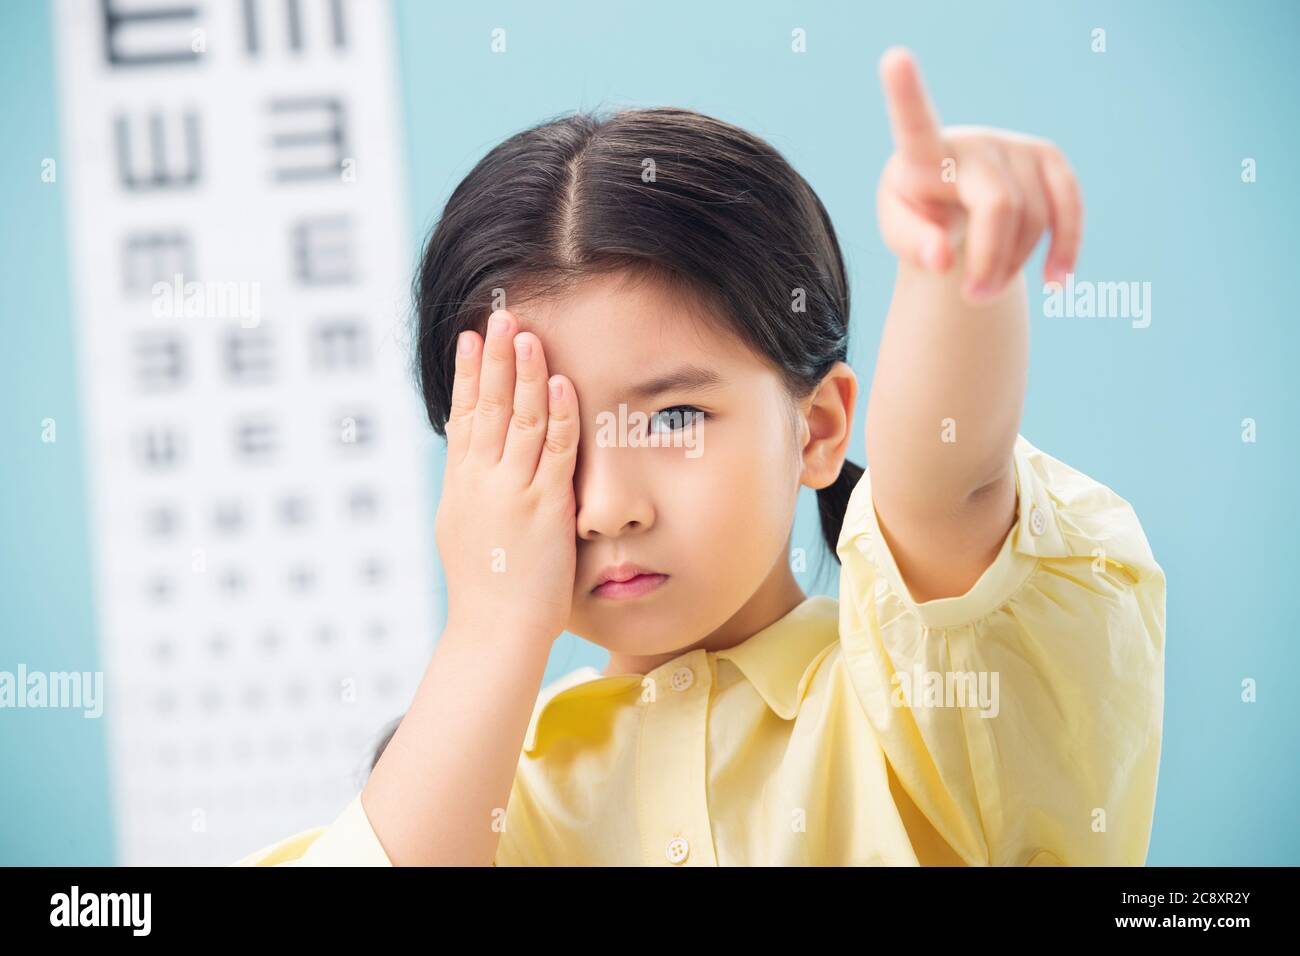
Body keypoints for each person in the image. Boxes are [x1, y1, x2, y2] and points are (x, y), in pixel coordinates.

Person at [233, 48, 1164, 867]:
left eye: (673, 418)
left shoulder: (918, 702)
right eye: (543, 442)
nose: (607, 508)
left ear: (819, 428)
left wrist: (955, 266)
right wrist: (487, 630)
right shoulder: (483, 797)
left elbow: (946, 483)